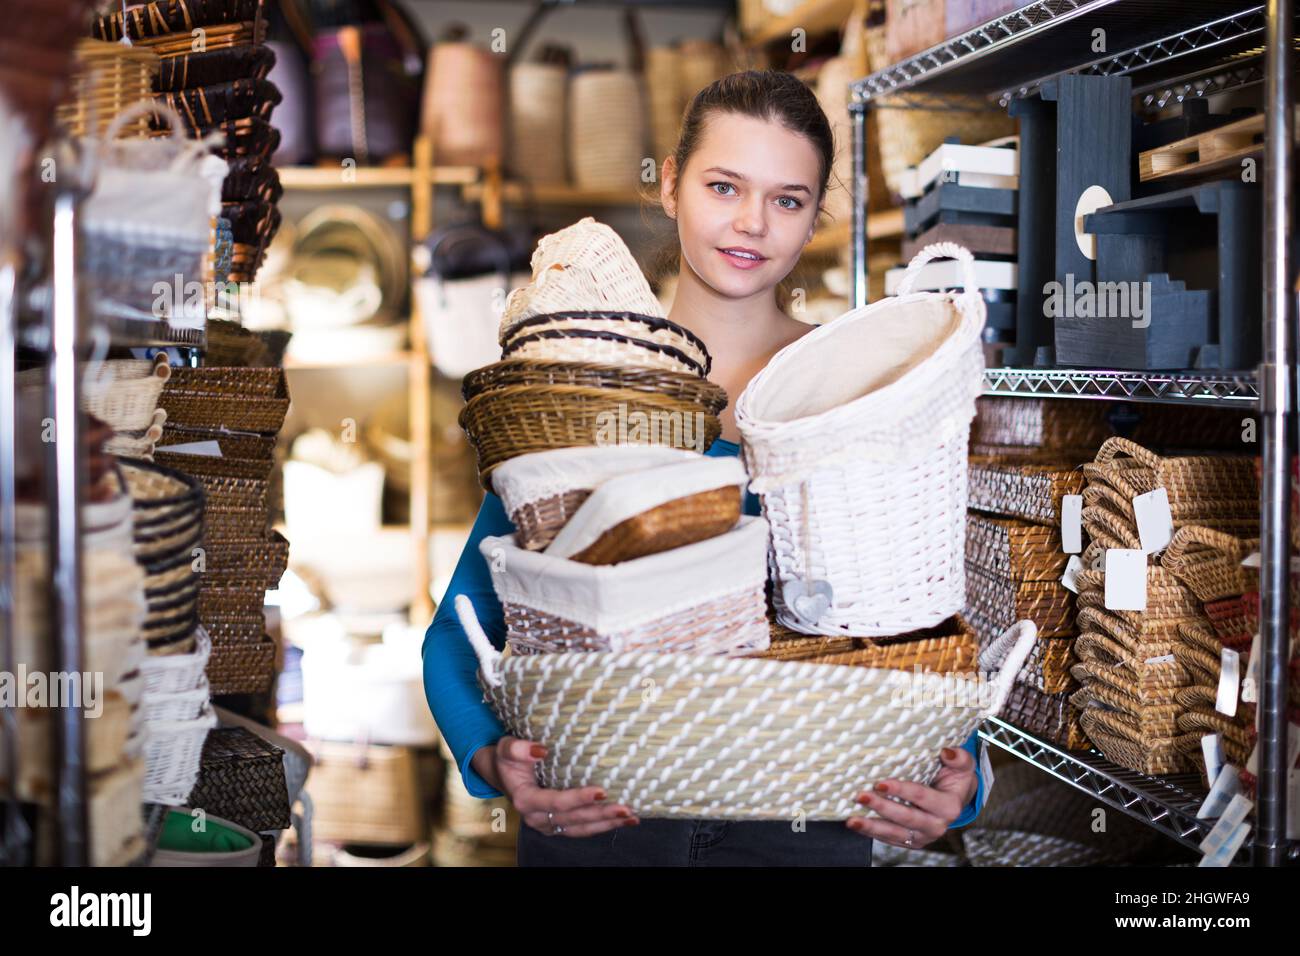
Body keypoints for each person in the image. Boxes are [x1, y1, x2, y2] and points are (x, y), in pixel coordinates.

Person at [423, 69, 988, 866]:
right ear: (669, 186)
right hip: (605, 810)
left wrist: (965, 778)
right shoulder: (583, 376)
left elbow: (927, 609)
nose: (752, 223)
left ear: (814, 216)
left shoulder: (864, 387)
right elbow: (468, 616)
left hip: (809, 819)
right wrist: (490, 757)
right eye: (724, 186)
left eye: (788, 199)